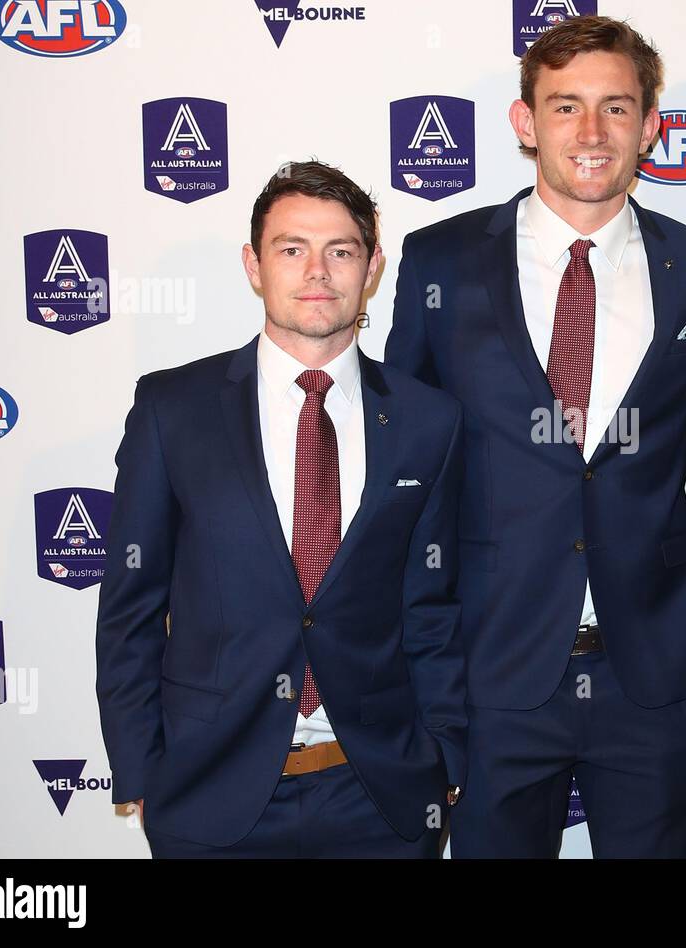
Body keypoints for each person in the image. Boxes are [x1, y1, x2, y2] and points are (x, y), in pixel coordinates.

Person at [386, 15, 686, 858]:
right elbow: (404, 466)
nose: (591, 133)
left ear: (651, 126)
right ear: (524, 122)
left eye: (616, 108)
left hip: (650, 676)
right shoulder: (440, 260)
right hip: (491, 670)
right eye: (566, 107)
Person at [95, 160, 467, 858]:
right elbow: (130, 607)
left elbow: (432, 605)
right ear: (254, 265)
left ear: (373, 265)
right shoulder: (173, 410)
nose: (317, 271)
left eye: (341, 251)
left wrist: (443, 749)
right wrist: (140, 764)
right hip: (211, 791)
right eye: (292, 249)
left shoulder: (428, 421)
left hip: (378, 795)